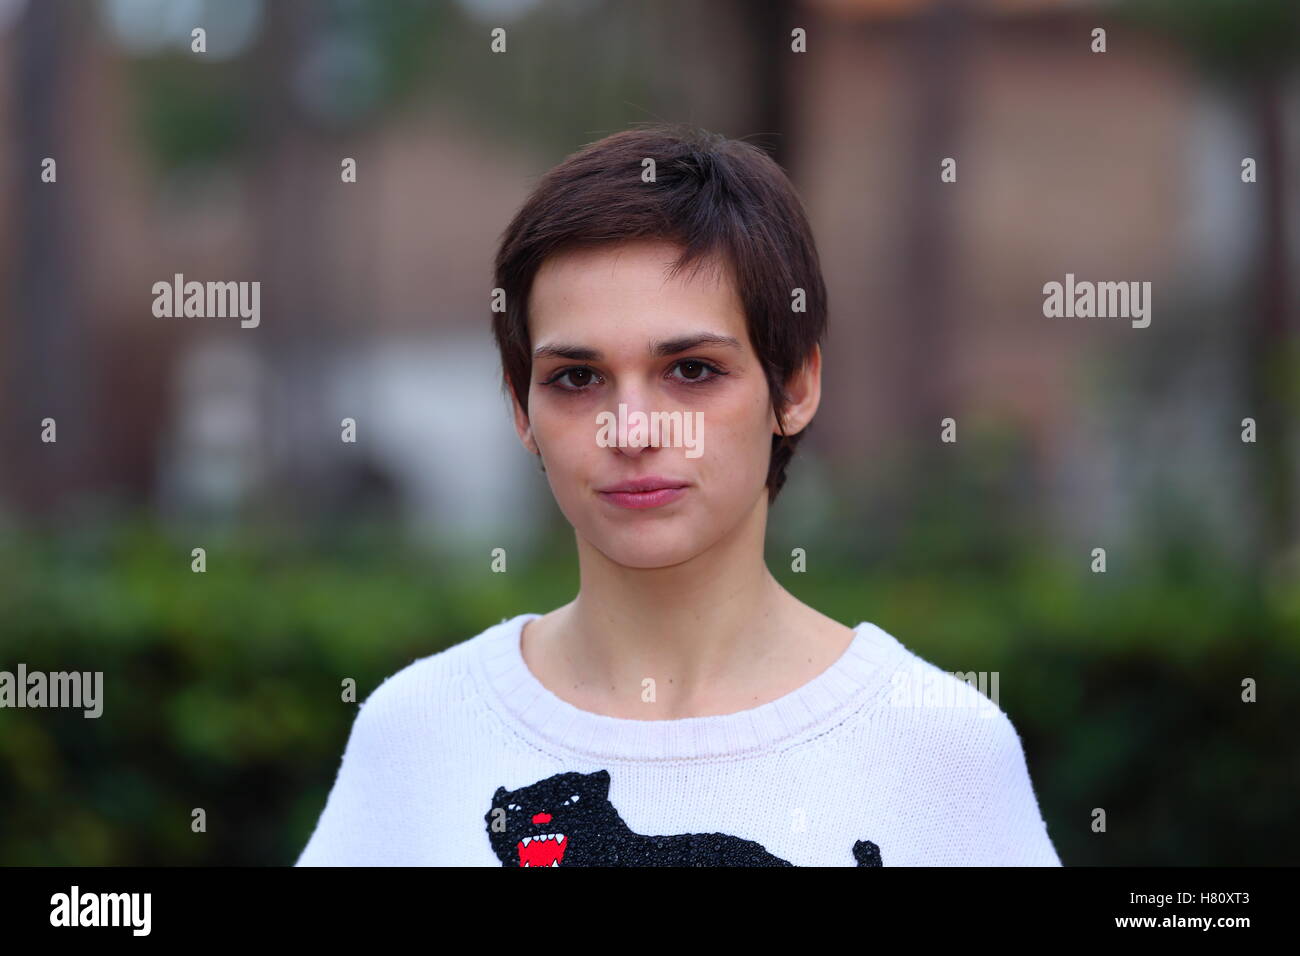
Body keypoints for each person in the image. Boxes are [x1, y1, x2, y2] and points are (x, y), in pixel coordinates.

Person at [296, 124, 1061, 866]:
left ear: (793, 387)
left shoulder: (941, 748)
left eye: (691, 370)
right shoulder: (417, 730)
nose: (631, 431)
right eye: (577, 379)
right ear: (520, 409)